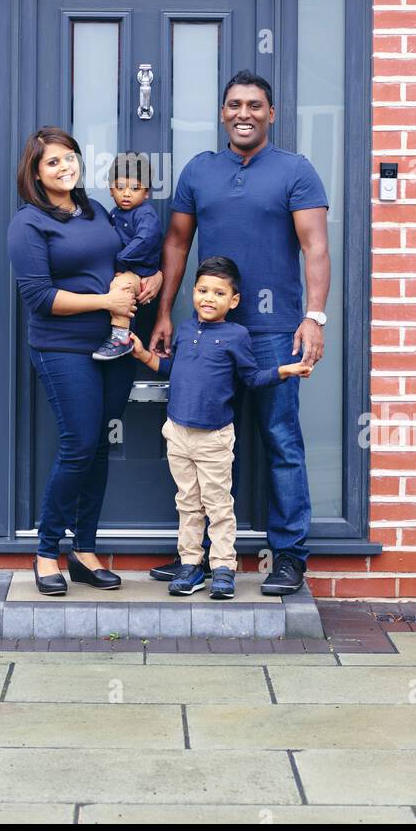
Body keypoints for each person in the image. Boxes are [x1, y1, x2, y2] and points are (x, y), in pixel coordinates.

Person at [149, 70, 330, 597]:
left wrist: (313, 318)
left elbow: (315, 247)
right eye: (234, 105)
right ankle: (197, 558)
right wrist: (164, 313)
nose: (243, 113)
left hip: (276, 330)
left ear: (271, 114)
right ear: (222, 113)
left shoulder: (296, 170)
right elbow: (177, 246)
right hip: (209, 332)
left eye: (254, 105)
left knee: (280, 439)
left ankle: (290, 557)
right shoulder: (199, 171)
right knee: (195, 441)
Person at [6, 127, 162, 597]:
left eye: (70, 157)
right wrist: (106, 302)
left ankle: (85, 549)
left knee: (97, 447)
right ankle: (47, 550)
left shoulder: (96, 211)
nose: (65, 166)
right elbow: (38, 297)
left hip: (114, 347)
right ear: (35, 172)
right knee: (77, 445)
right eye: (52, 162)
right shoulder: (29, 223)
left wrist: (145, 277)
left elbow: (124, 262)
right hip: (62, 348)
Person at [131, 256, 312, 601]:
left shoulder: (237, 335)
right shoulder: (184, 330)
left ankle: (224, 567)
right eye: (202, 290)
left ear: (234, 301)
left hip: (213, 437)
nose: (208, 298)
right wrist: (142, 354)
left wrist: (283, 371)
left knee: (217, 505)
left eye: (218, 292)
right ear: (193, 292)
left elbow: (251, 377)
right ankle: (191, 565)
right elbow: (169, 369)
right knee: (187, 503)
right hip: (178, 433)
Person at [92, 152, 163, 362]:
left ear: (146, 192)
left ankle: (121, 337)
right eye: (120, 187)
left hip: (139, 274)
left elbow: (144, 240)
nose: (126, 193)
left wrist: (120, 260)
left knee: (121, 287)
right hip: (125, 270)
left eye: (135, 188)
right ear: (110, 188)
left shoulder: (145, 214)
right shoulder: (113, 213)